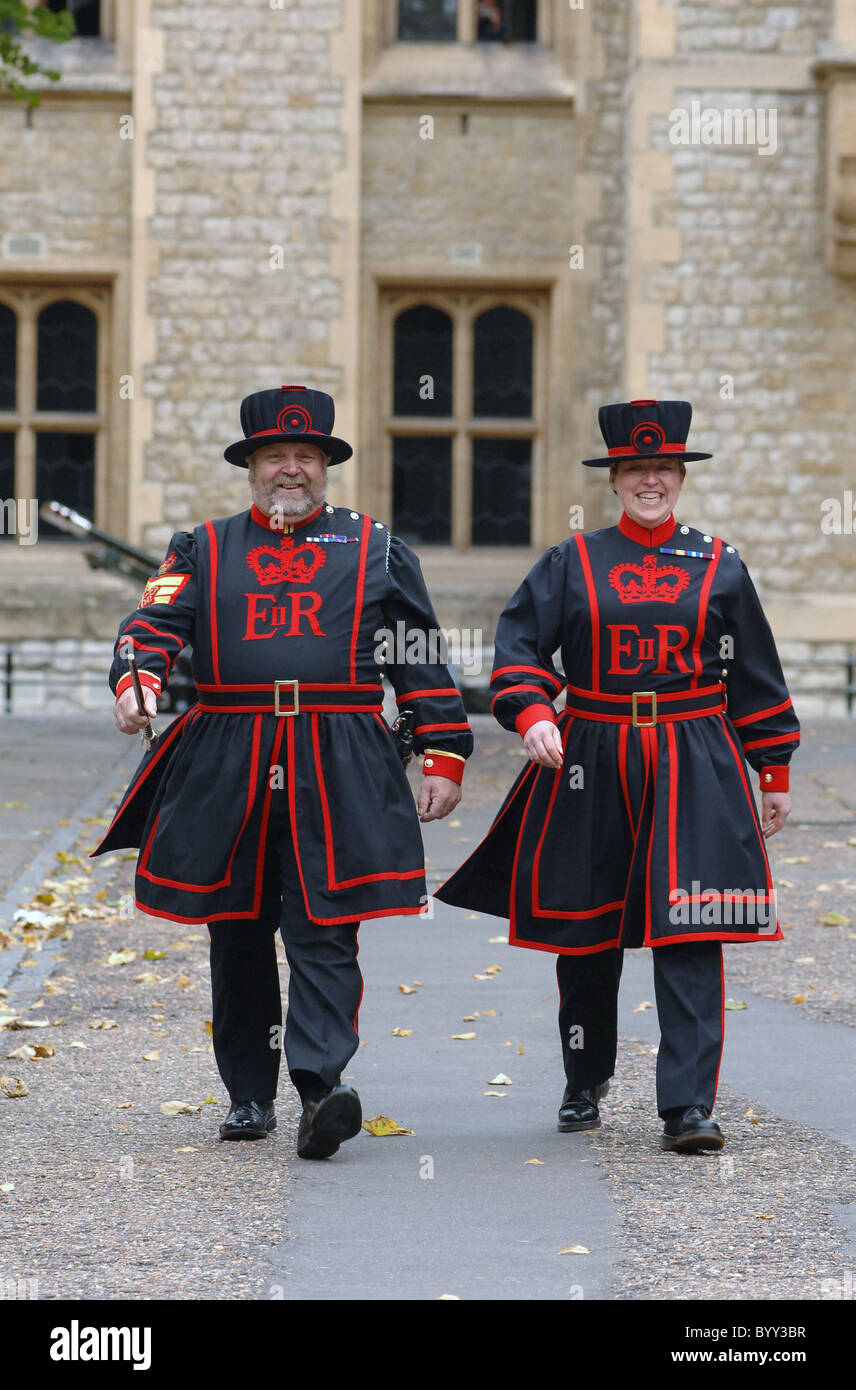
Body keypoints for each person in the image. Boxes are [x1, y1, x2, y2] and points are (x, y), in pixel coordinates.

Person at [93, 385, 472, 1159]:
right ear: (253, 468)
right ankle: (246, 1097)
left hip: (340, 755)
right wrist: (136, 677)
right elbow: (152, 624)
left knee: (326, 924)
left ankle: (320, 1089)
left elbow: (419, 658)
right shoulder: (201, 546)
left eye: (305, 456)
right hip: (227, 752)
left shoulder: (377, 547)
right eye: (275, 457)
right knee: (235, 928)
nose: (290, 469)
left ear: (325, 466)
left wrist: (442, 751)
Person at [436, 399, 799, 1153]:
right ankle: (583, 1077)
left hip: (694, 756)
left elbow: (756, 676)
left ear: (679, 476)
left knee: (693, 923)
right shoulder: (572, 560)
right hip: (589, 752)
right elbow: (519, 649)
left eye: (662, 468)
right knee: (586, 926)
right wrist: (533, 710)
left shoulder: (720, 562)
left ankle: (687, 1107)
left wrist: (774, 768)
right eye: (635, 469)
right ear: (614, 479)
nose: (650, 481)